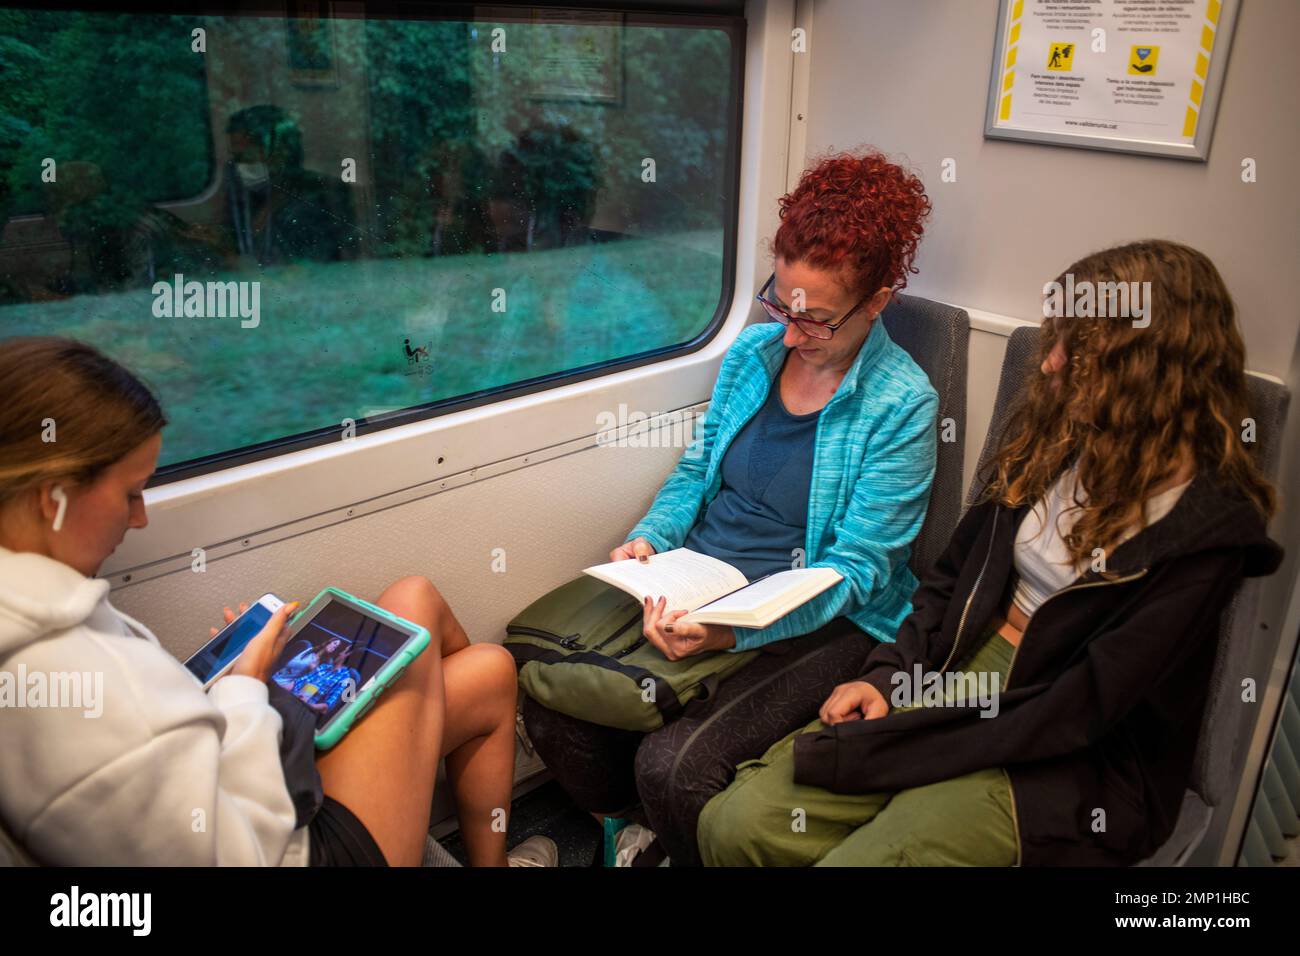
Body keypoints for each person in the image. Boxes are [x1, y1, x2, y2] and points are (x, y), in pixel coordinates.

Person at [696, 239, 1283, 866]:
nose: (1051, 364)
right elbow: (950, 580)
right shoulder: (1053, 439)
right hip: (961, 656)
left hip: (1068, 746)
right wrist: (891, 675)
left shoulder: (1205, 537)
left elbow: (1080, 709)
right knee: (736, 824)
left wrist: (899, 743)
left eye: (1078, 351)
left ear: (1149, 372)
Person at [522, 148, 939, 865]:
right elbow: (697, 472)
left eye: (817, 321)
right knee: (545, 694)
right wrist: (652, 539)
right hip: (702, 576)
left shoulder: (902, 405)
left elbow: (860, 570)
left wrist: (729, 636)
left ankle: (670, 832)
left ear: (876, 304)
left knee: (672, 766)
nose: (790, 333)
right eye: (780, 303)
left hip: (820, 617)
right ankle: (637, 831)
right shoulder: (752, 353)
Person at [0, 337, 555, 867]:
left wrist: (233, 682)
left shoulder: (39, 616)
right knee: (430, 624)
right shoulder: (58, 674)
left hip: (246, 780)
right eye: (129, 493)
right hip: (296, 844)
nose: (140, 516)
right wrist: (248, 686)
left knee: (485, 670)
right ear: (55, 499)